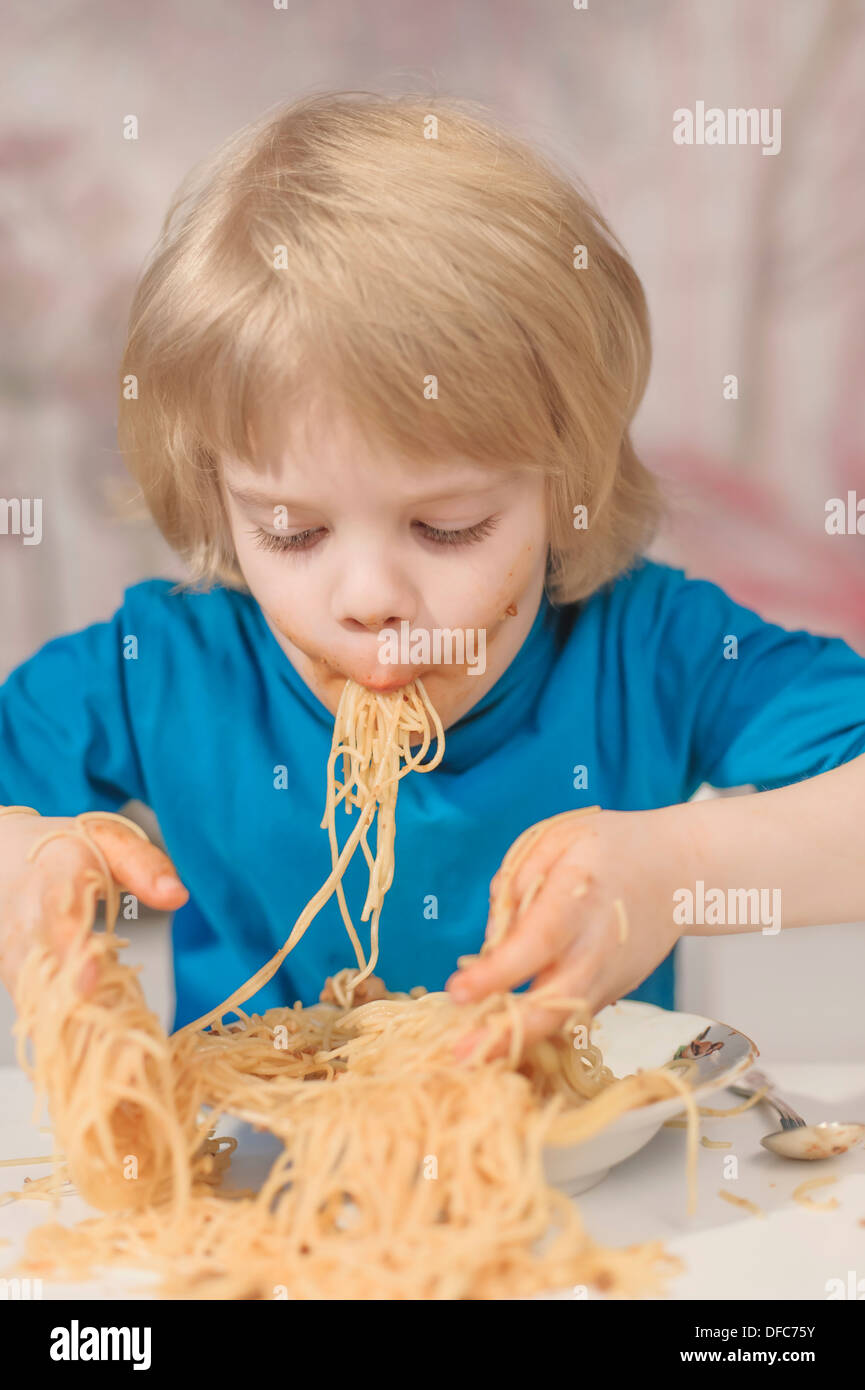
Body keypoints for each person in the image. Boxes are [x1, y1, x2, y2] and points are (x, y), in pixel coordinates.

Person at [1, 93, 863, 1046]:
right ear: (216, 500)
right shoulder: (159, 670)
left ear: (561, 484)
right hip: (247, 1180)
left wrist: (678, 865)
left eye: (448, 528)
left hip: (586, 1181)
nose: (369, 599)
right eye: (291, 532)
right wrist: (27, 858)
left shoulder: (650, 651)